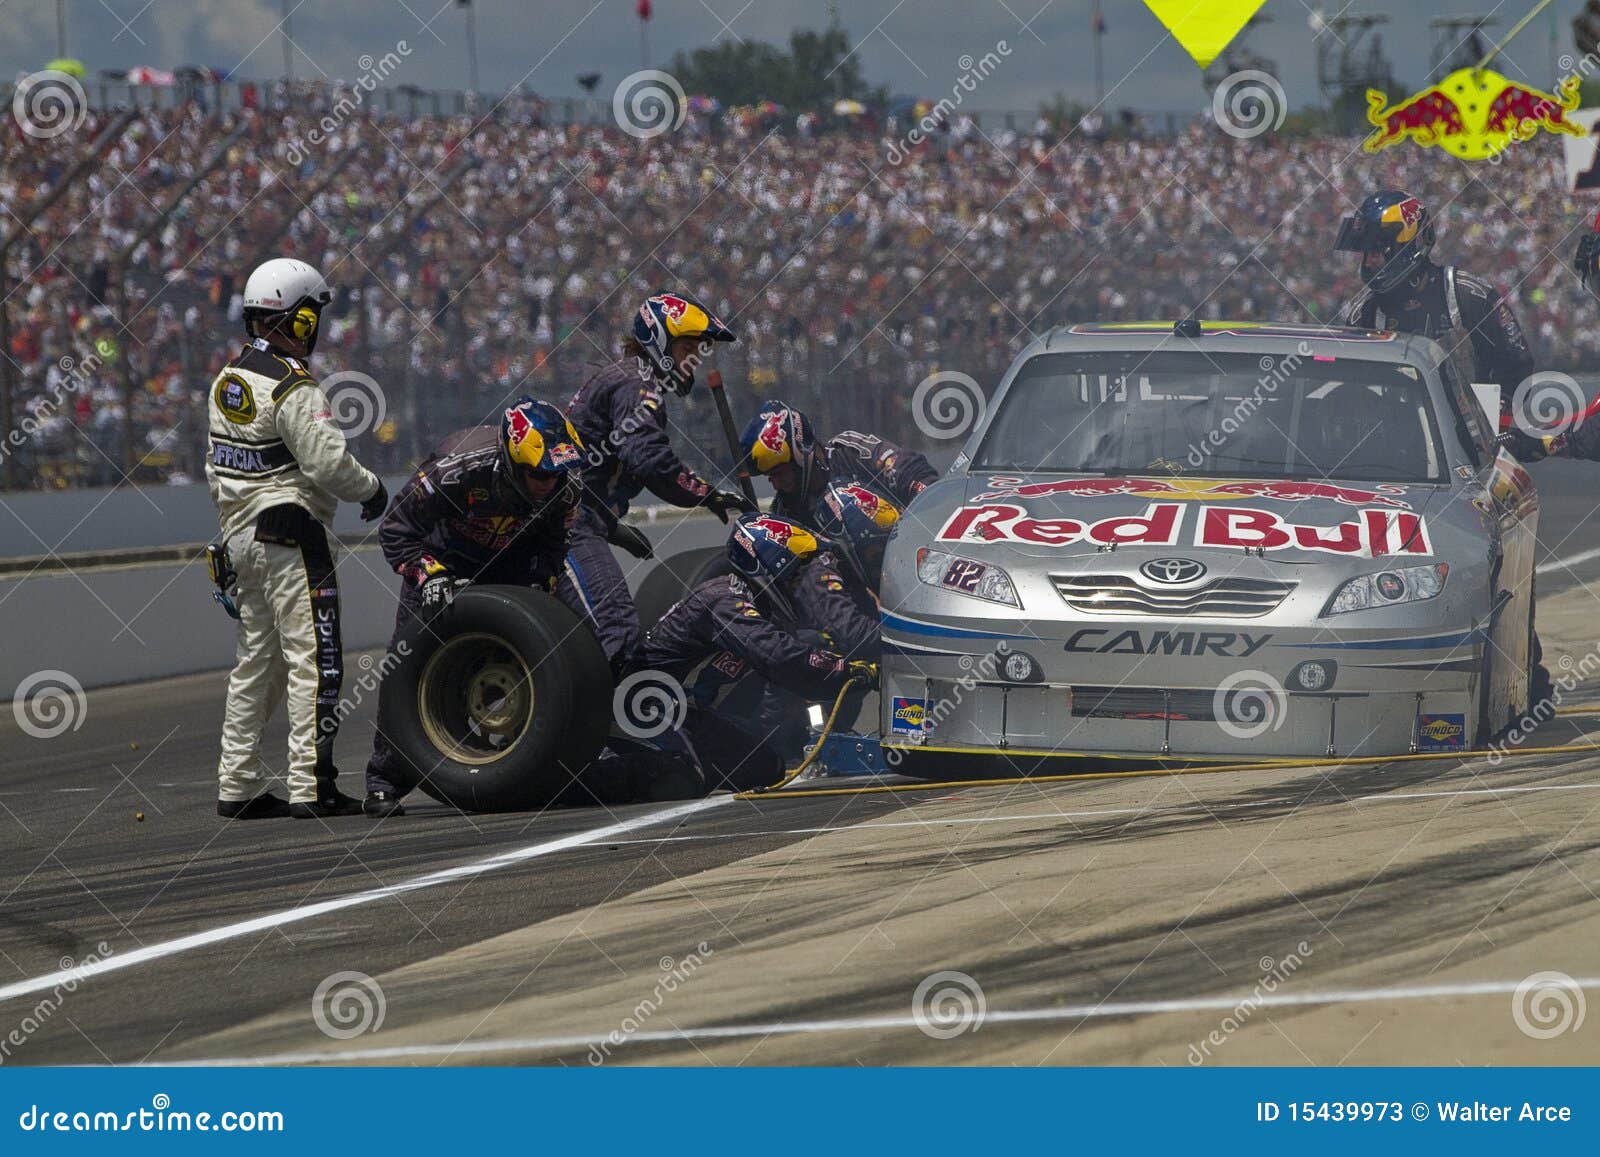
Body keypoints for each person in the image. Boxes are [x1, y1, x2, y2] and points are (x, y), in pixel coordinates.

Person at [206, 257, 388, 820]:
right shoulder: (294, 387)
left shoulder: (226, 381)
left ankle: (235, 783)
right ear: (295, 320)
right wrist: (373, 490)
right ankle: (313, 786)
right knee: (316, 660)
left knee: (256, 662)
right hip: (291, 534)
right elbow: (330, 464)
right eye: (310, 316)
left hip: (240, 536)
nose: (315, 328)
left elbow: (216, 470)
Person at [362, 397, 584, 818]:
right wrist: (427, 572)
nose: (549, 483)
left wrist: (541, 584)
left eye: (556, 474)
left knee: (561, 641)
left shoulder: (566, 486)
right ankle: (384, 779)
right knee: (405, 662)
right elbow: (395, 528)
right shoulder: (458, 465)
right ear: (514, 462)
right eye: (540, 474)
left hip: (513, 559)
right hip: (443, 560)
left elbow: (556, 545)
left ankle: (543, 762)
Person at [560, 292, 754, 669]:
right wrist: (707, 494)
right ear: (661, 342)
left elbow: (595, 466)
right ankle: (622, 720)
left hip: (579, 517)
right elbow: (647, 458)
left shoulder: (628, 377)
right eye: (688, 348)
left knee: (580, 632)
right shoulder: (638, 384)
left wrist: (610, 525)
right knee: (617, 627)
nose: (693, 360)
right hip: (568, 523)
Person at [632, 512, 875, 789]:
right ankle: (595, 772)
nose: (798, 584)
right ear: (770, 568)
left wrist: (789, 736)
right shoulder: (724, 598)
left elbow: (782, 684)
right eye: (794, 574)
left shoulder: (761, 610)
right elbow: (780, 657)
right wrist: (847, 670)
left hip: (688, 710)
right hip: (644, 707)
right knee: (681, 778)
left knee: (766, 767)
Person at [1335, 191, 1534, 404]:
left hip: (1471, 431)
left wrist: (1493, 422)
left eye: (1376, 251)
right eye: (1365, 253)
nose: (1368, 263)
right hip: (1395, 428)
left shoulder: (1468, 296)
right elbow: (1350, 386)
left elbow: (1518, 365)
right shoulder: (1363, 313)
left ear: (1406, 246)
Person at [737, 399, 939, 522]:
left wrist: (920, 514)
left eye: (779, 472)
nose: (774, 482)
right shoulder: (786, 510)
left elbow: (911, 470)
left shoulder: (849, 451)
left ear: (800, 457)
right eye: (770, 476)